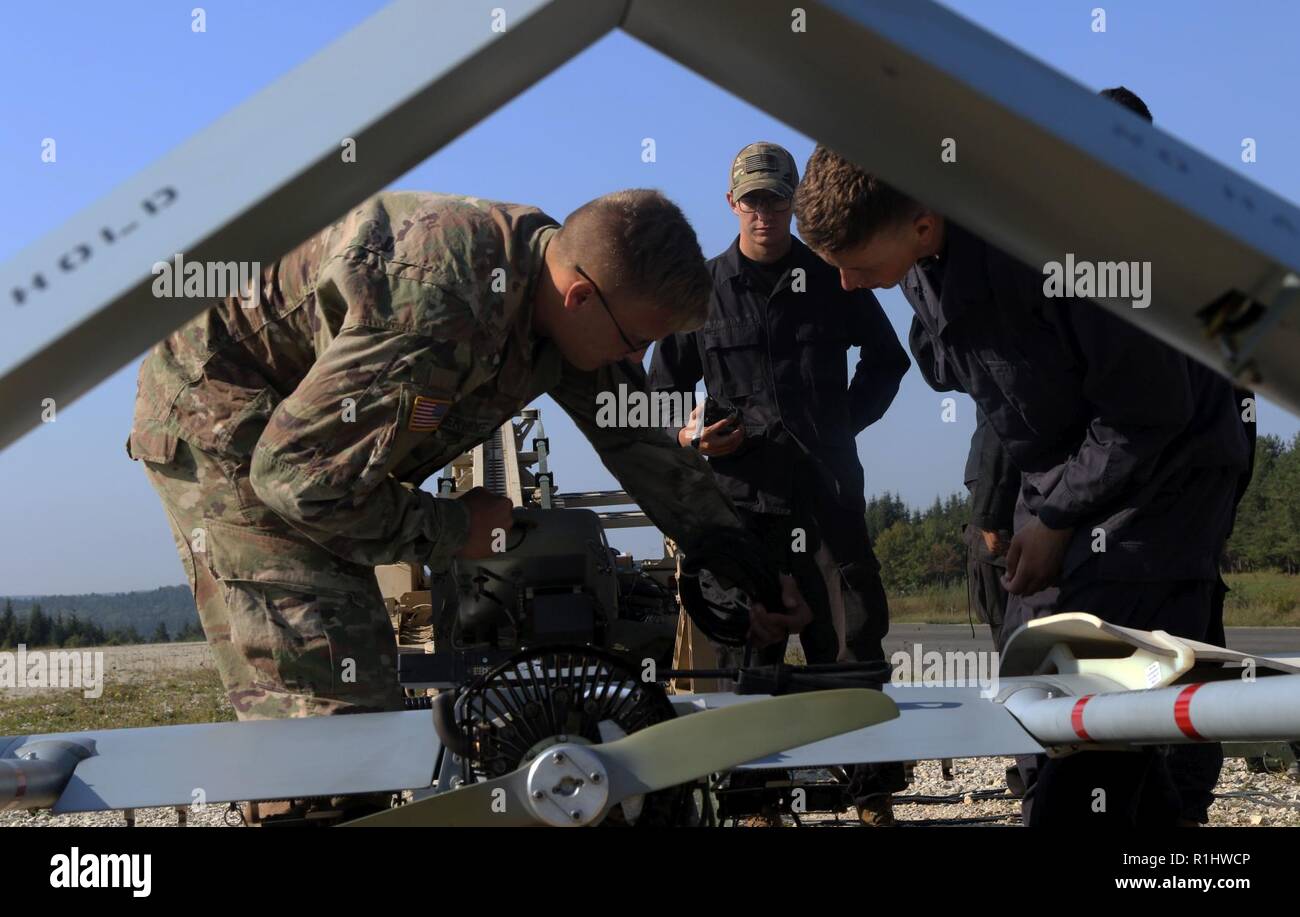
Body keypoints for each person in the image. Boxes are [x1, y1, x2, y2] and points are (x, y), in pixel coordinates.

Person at [128, 189, 812, 725]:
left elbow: (639, 441)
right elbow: (295, 478)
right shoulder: (443, 300)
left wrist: (740, 563)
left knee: (362, 692)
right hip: (222, 417)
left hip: (307, 437)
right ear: (581, 296)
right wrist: (456, 528)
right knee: (330, 701)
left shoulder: (565, 298)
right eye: (636, 341)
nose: (637, 361)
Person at [794, 133, 1250, 826]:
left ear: (920, 223)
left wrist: (1060, 516)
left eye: (854, 266)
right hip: (1065, 463)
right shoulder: (923, 252)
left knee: (1093, 704)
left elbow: (1149, 411)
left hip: (1164, 478)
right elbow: (997, 392)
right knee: (1036, 698)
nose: (847, 285)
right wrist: (1007, 505)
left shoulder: (1059, 248)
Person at [649, 143, 910, 824]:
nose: (765, 212)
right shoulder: (699, 294)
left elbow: (889, 360)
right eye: (753, 200)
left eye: (776, 199)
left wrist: (842, 423)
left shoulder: (832, 280)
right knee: (750, 657)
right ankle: (757, 799)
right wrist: (691, 437)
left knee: (850, 644)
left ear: (793, 202)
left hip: (828, 498)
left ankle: (871, 794)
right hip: (744, 506)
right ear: (733, 203)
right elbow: (655, 398)